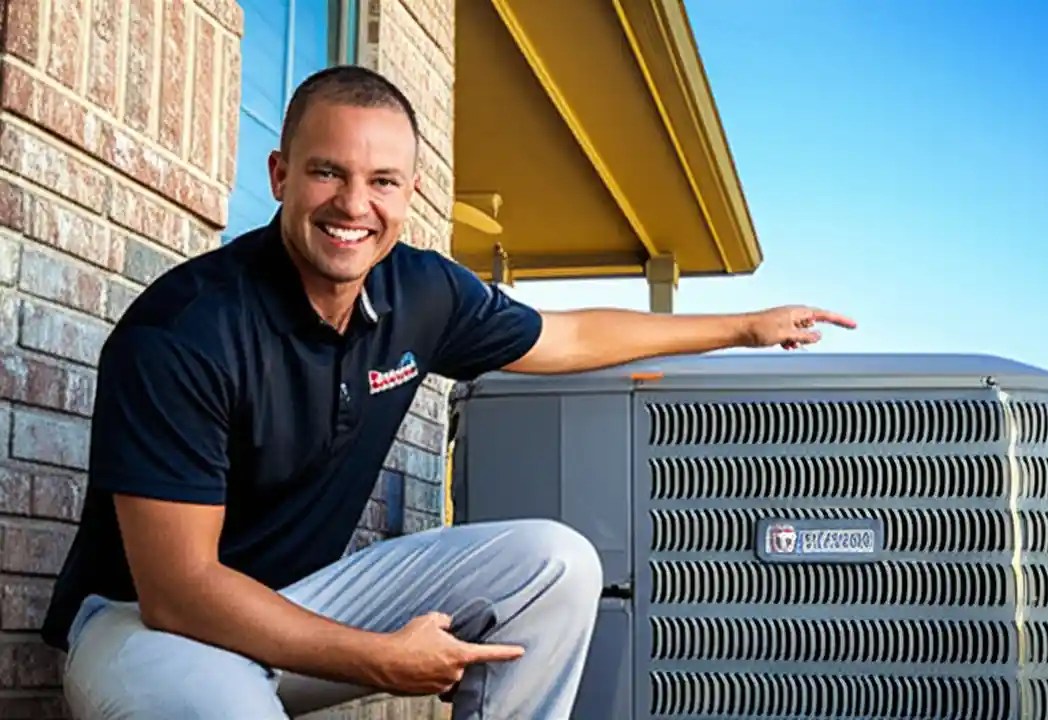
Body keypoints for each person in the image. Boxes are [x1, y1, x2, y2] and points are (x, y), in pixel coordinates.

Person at [40, 65, 856, 719]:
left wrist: (741, 326)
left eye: (383, 181)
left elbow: (566, 335)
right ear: (281, 174)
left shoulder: (422, 292)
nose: (354, 205)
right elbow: (180, 591)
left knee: (556, 563)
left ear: (411, 193)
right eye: (327, 172)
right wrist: (379, 659)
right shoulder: (185, 331)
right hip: (145, 626)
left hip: (300, 602)